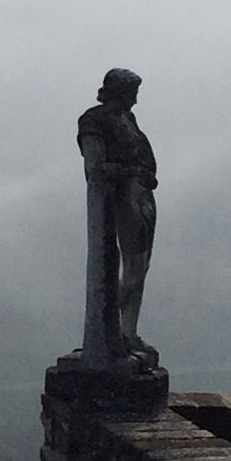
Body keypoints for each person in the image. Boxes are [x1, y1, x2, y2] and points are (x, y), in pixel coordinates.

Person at [77, 67, 157, 366]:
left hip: (141, 198)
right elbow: (96, 169)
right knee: (131, 268)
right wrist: (132, 172)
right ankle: (110, 332)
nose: (136, 99)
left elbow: (142, 154)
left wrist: (144, 174)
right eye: (132, 92)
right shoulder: (94, 121)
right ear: (119, 92)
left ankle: (128, 331)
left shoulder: (128, 120)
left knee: (141, 266)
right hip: (118, 202)